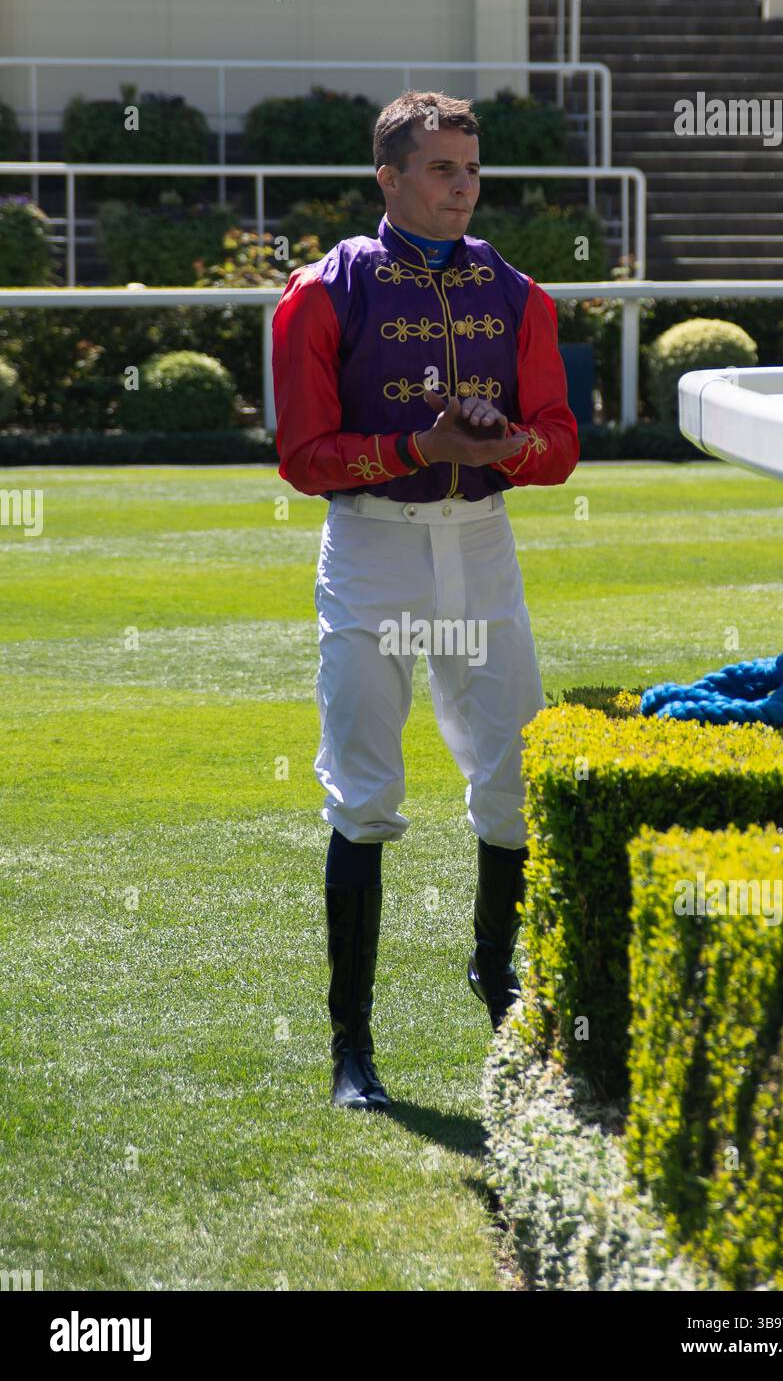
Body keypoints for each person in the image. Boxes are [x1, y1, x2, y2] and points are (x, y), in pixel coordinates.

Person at [271, 89, 580, 1110]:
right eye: (440, 168)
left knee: (511, 780)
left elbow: (559, 445)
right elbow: (305, 460)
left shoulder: (518, 294)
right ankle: (350, 1045)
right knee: (361, 794)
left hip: (480, 552)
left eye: (469, 169)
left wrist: (502, 442)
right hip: (371, 552)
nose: (460, 186)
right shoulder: (319, 294)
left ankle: (496, 980)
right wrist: (418, 446)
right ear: (388, 178)